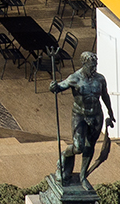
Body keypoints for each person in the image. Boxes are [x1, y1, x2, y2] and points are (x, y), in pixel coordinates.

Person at [48, 51, 115, 182]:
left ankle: (83, 176)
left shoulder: (100, 79)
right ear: (84, 64)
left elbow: (105, 96)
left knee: (90, 146)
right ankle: (64, 155)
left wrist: (110, 112)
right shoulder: (74, 78)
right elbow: (59, 87)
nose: (94, 69)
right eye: (91, 66)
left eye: (95, 65)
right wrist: (53, 87)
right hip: (80, 115)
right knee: (79, 147)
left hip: (96, 115)